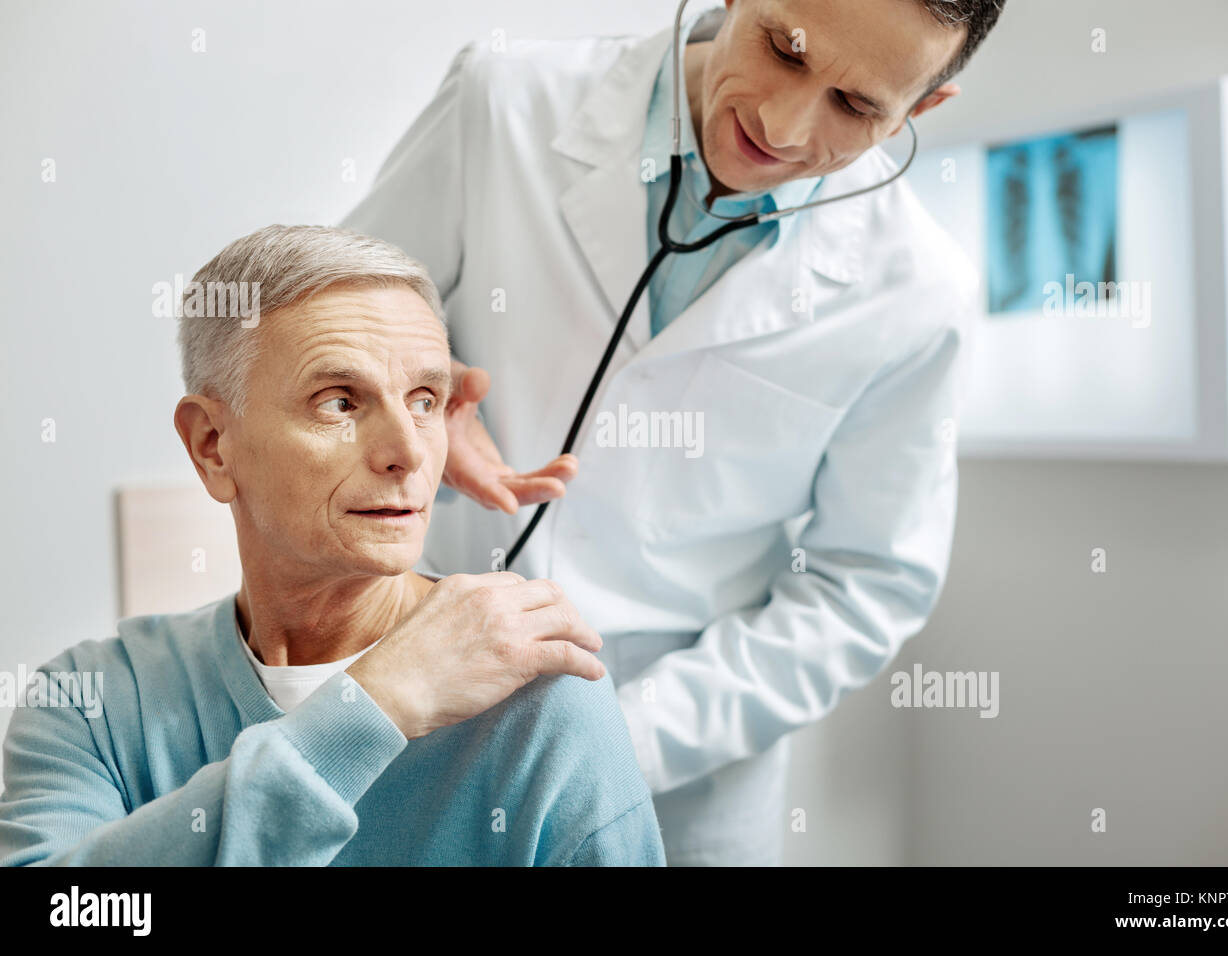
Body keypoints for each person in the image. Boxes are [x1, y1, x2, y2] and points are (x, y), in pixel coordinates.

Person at [342, 0, 1005, 865]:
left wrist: (621, 738)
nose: (782, 122)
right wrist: (419, 402)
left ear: (918, 111)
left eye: (856, 106)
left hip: (683, 774)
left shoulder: (917, 292)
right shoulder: (505, 98)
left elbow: (866, 584)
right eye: (784, 48)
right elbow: (334, 316)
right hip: (425, 694)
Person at [0, 225, 666, 867]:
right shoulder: (93, 703)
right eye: (340, 402)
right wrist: (373, 705)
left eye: (425, 400)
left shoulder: (541, 701)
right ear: (213, 446)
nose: (407, 452)